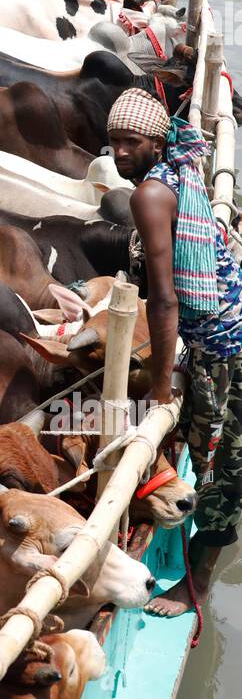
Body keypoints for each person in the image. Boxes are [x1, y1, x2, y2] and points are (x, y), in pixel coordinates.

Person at [108, 87, 242, 617]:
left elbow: (164, 302)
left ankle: (196, 586)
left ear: (157, 140)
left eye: (131, 141)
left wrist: (162, 393)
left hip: (225, 349)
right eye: (113, 141)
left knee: (219, 464)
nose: (119, 152)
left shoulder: (148, 195)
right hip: (221, 335)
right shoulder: (178, 172)